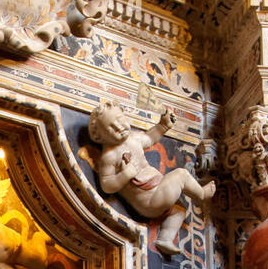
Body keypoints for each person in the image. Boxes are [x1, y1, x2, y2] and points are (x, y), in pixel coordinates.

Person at [89, 100, 215, 256]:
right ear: (100, 136)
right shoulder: (109, 156)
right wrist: (125, 174)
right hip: (149, 200)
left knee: (179, 210)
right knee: (181, 174)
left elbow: (150, 138)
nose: (120, 127)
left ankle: (165, 239)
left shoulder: (133, 139)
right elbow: (106, 184)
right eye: (112, 127)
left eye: (121, 121)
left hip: (157, 190)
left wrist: (163, 126)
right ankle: (201, 194)